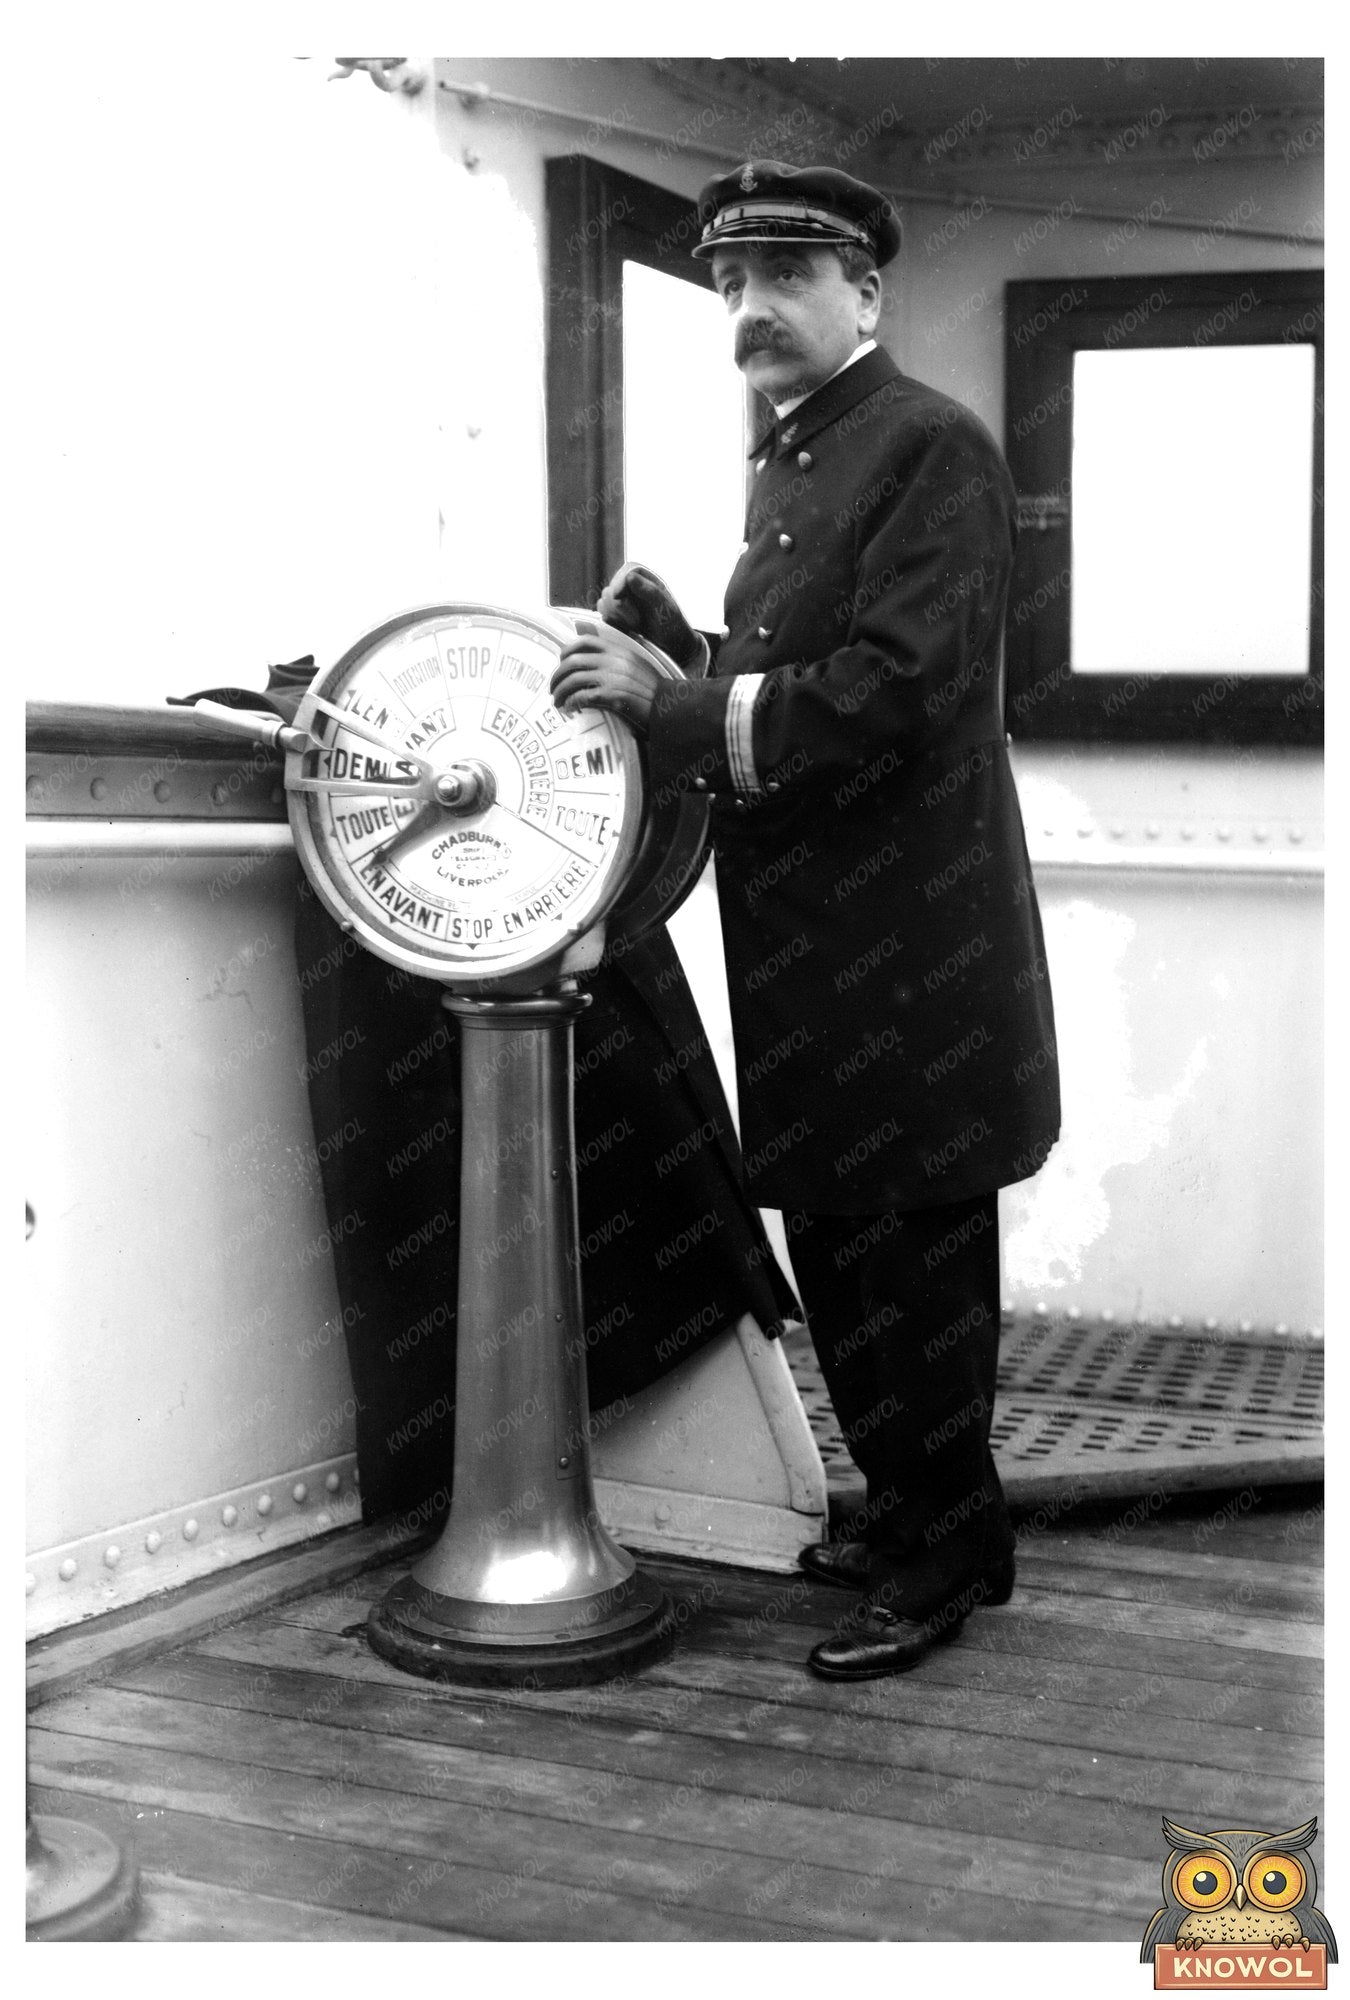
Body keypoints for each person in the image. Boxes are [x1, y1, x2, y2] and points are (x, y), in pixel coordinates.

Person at [551, 160, 1061, 1681]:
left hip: (913, 944)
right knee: (844, 1244)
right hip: (826, 946)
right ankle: (904, 1516)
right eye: (729, 283)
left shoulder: (926, 445)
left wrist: (679, 701)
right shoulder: (804, 454)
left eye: (784, 276)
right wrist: (679, 648)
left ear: (865, 294)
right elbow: (816, 672)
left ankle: (945, 1557)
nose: (749, 310)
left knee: (909, 1257)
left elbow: (897, 694)